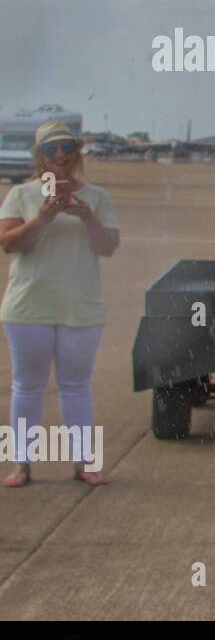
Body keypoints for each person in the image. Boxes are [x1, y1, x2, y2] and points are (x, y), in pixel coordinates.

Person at [0, 120, 119, 487]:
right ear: (39, 156)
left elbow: (108, 246)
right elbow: (9, 243)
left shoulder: (97, 197)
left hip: (80, 308)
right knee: (27, 386)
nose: (60, 155)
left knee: (76, 386)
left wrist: (87, 216)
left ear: (77, 152)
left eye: (67, 147)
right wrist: (44, 217)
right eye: (50, 148)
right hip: (28, 307)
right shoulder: (21, 194)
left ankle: (83, 463)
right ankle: (21, 464)